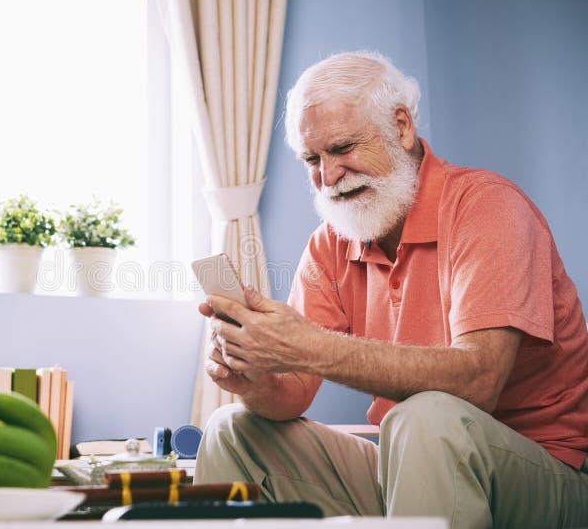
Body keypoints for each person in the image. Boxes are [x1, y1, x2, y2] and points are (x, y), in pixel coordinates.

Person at [195, 51, 588, 528]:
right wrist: (254, 376)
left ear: (401, 126)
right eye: (312, 160)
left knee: (426, 417)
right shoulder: (330, 243)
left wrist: (307, 346)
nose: (328, 177)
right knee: (230, 429)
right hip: (412, 462)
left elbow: (479, 382)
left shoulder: (487, 205)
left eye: (342, 148)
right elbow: (290, 394)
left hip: (547, 474)